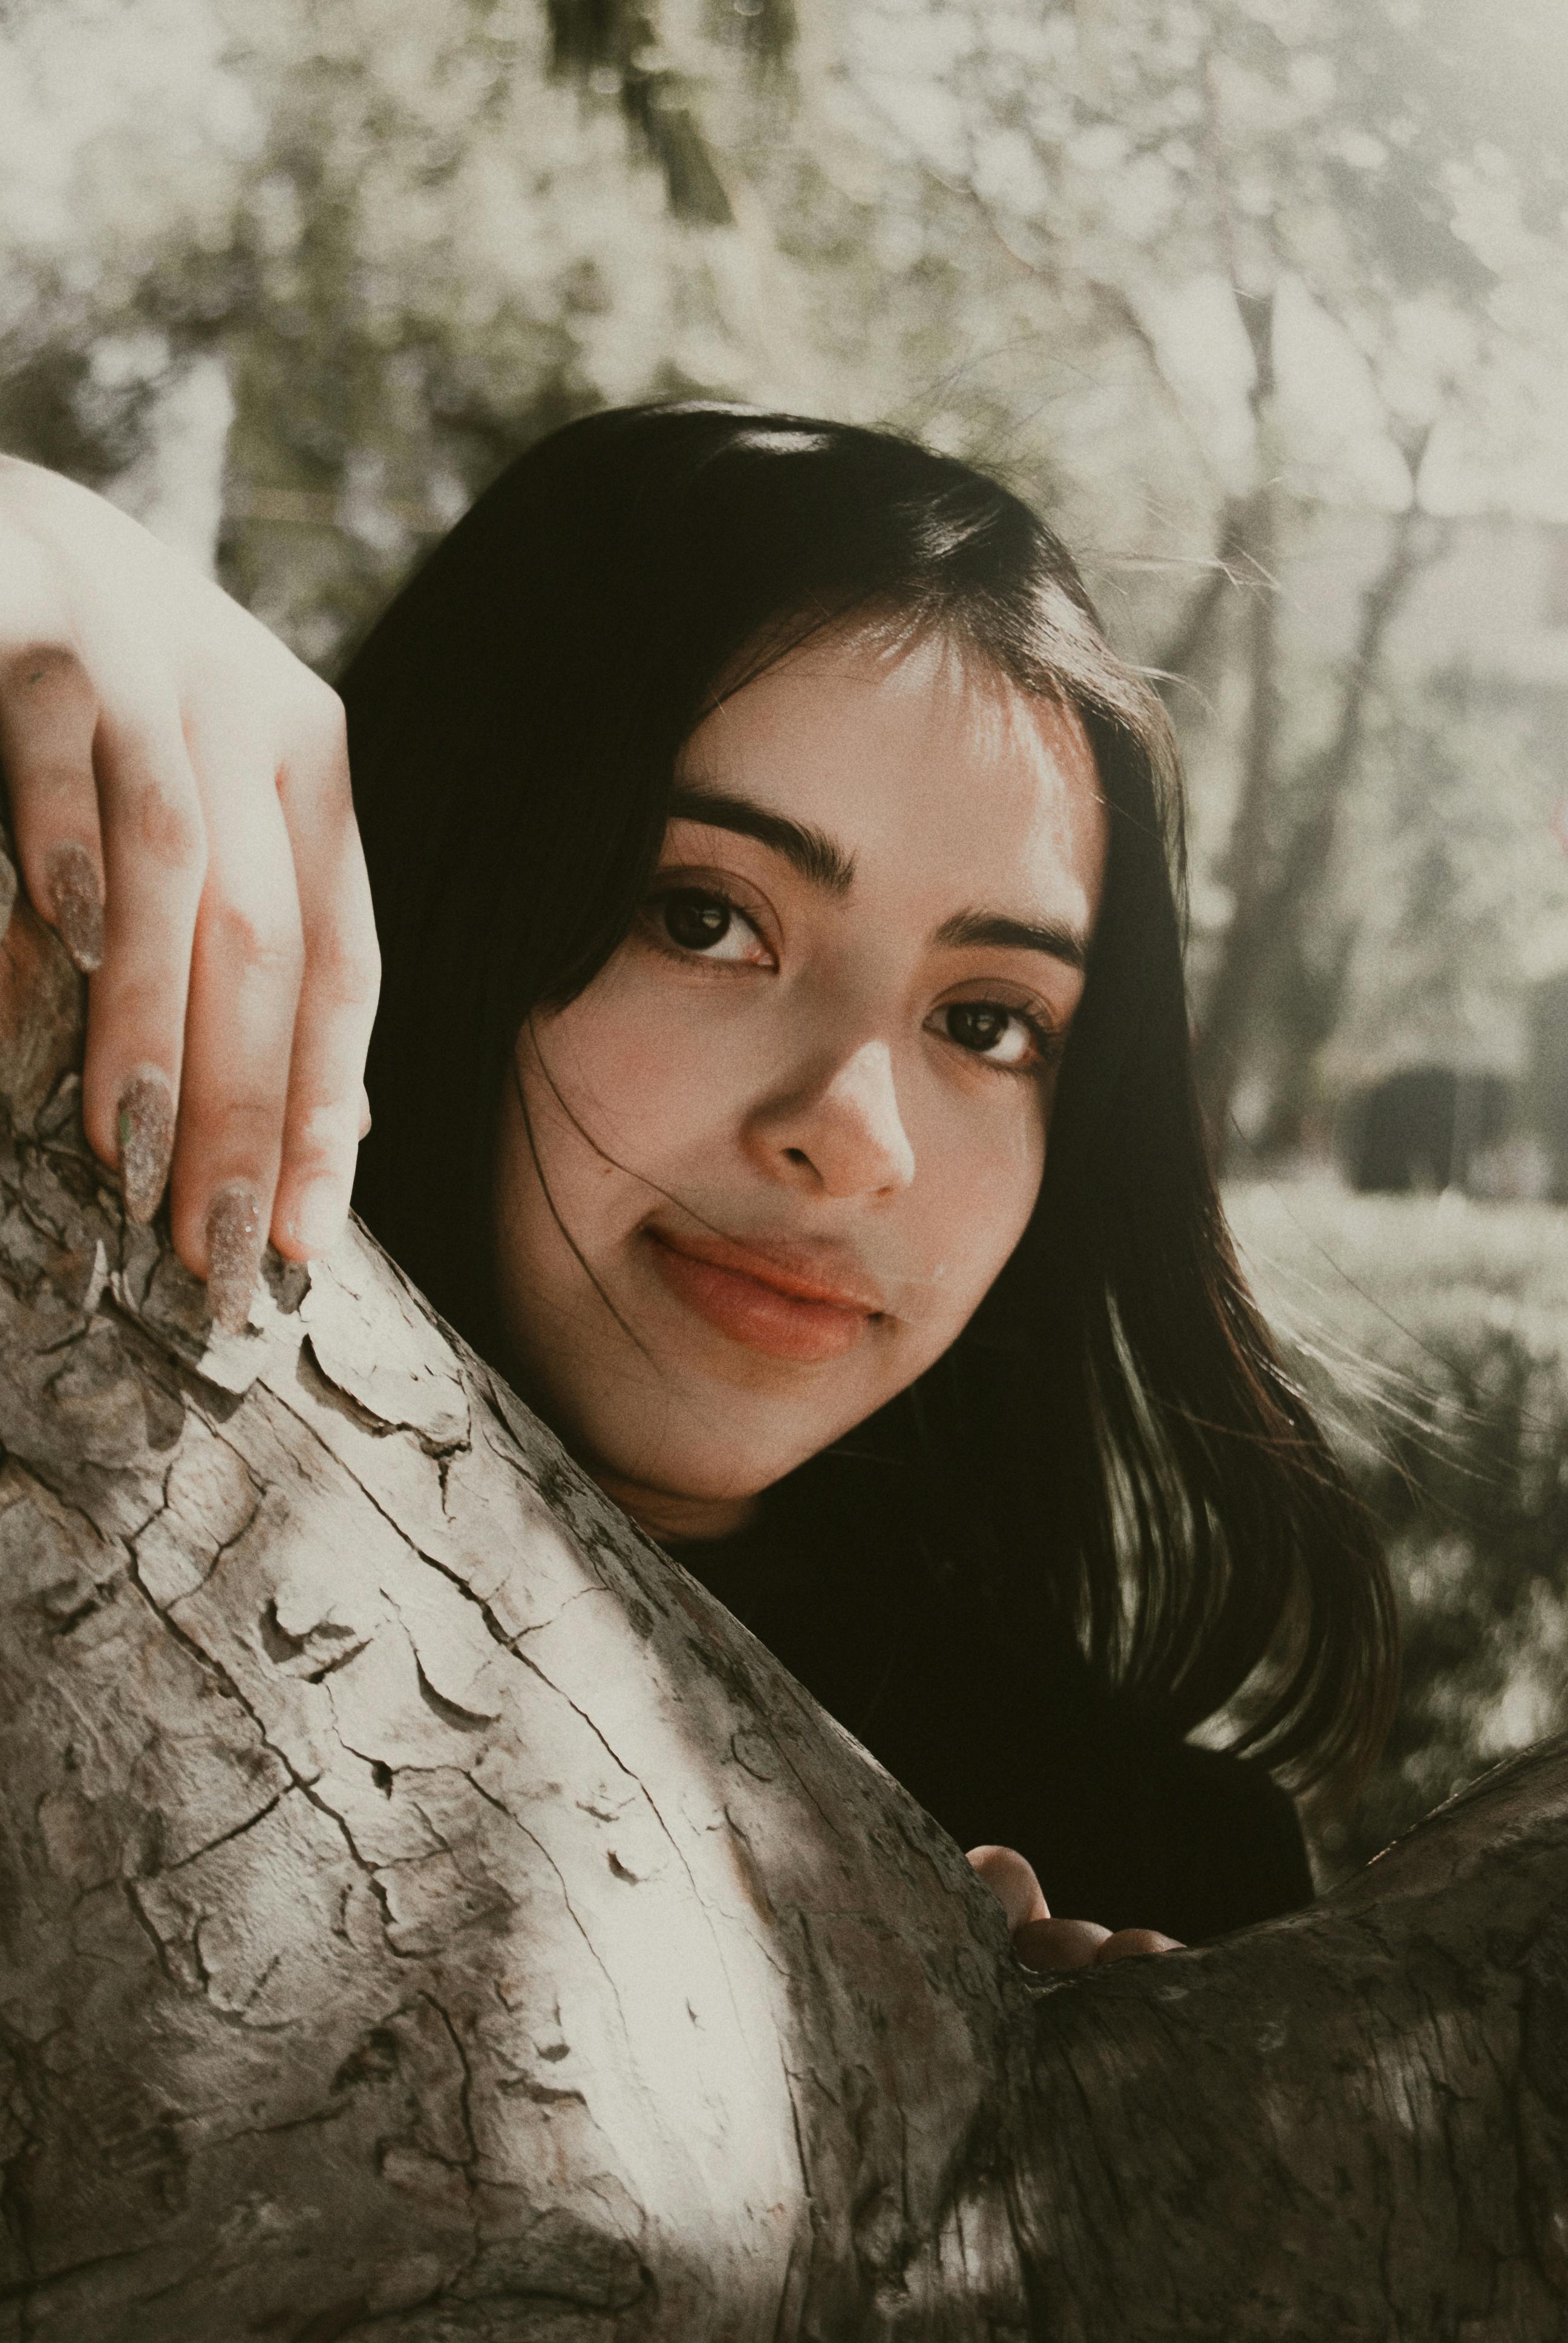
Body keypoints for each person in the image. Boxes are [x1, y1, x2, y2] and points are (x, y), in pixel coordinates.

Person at [0, 405, 1397, 1965]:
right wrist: (45, 542)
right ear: (446, 875)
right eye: (705, 918)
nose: (855, 1132)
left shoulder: (1165, 1886)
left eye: (988, 1023)